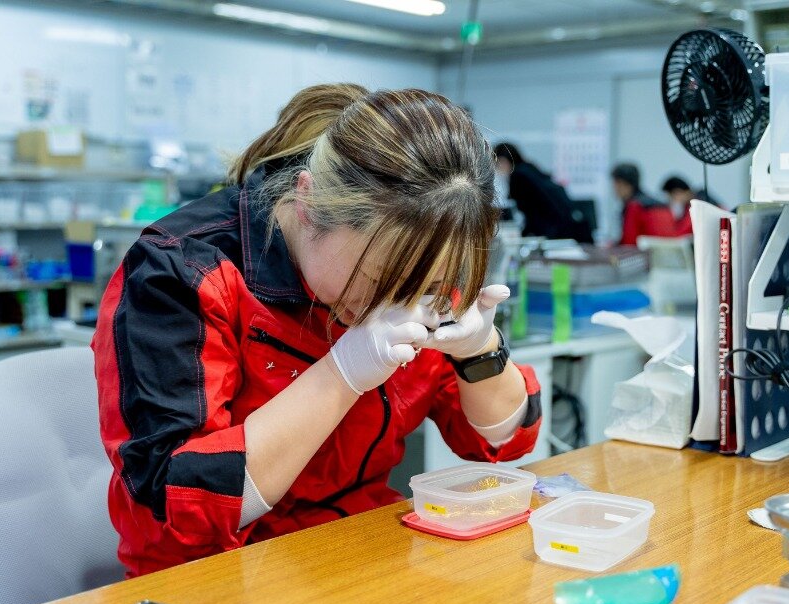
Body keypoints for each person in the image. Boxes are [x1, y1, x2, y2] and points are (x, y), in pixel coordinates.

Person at [92, 84, 542, 577]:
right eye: (378, 281)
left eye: (428, 284)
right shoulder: (180, 272)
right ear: (308, 202)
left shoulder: (419, 261)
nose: (397, 305)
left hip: (355, 552)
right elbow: (175, 503)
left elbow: (501, 439)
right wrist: (341, 374)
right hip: (213, 575)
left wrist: (480, 349)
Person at [494, 142, 593, 243]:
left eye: (498, 163)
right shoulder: (529, 168)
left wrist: (523, 234)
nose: (498, 169)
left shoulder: (519, 176)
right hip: (564, 223)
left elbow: (528, 210)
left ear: (505, 161)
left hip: (552, 229)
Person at [612, 162, 677, 246]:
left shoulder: (635, 206)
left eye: (615, 184)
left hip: (646, 253)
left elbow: (629, 243)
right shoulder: (662, 205)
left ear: (621, 183)